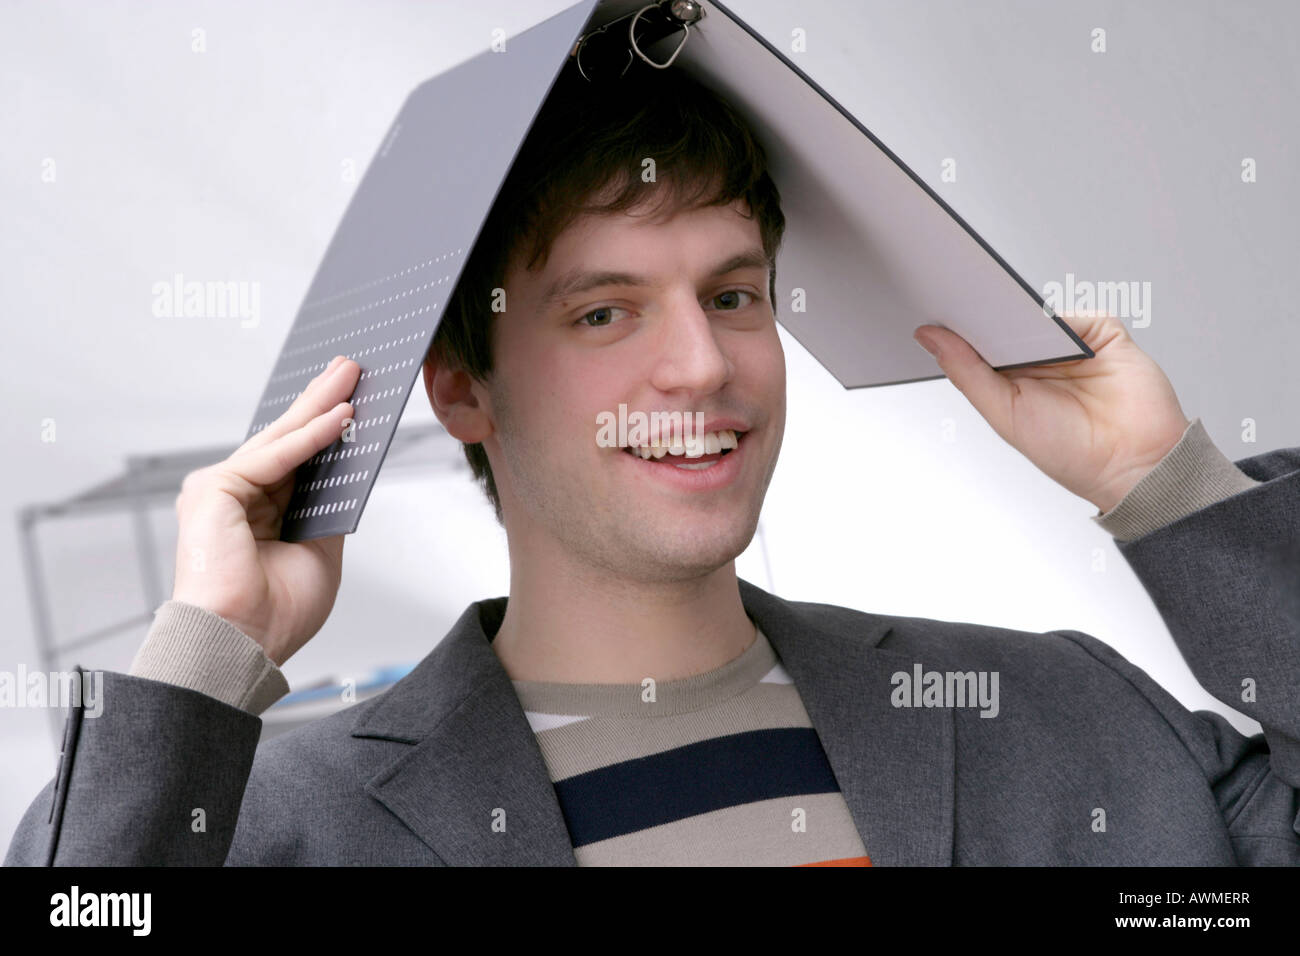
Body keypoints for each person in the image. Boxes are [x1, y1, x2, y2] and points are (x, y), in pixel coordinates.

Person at [7, 61, 1298, 867]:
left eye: (734, 296)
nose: (702, 366)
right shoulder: (278, 826)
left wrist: (1166, 483)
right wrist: (206, 660)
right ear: (462, 388)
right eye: (603, 312)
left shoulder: (1059, 709)